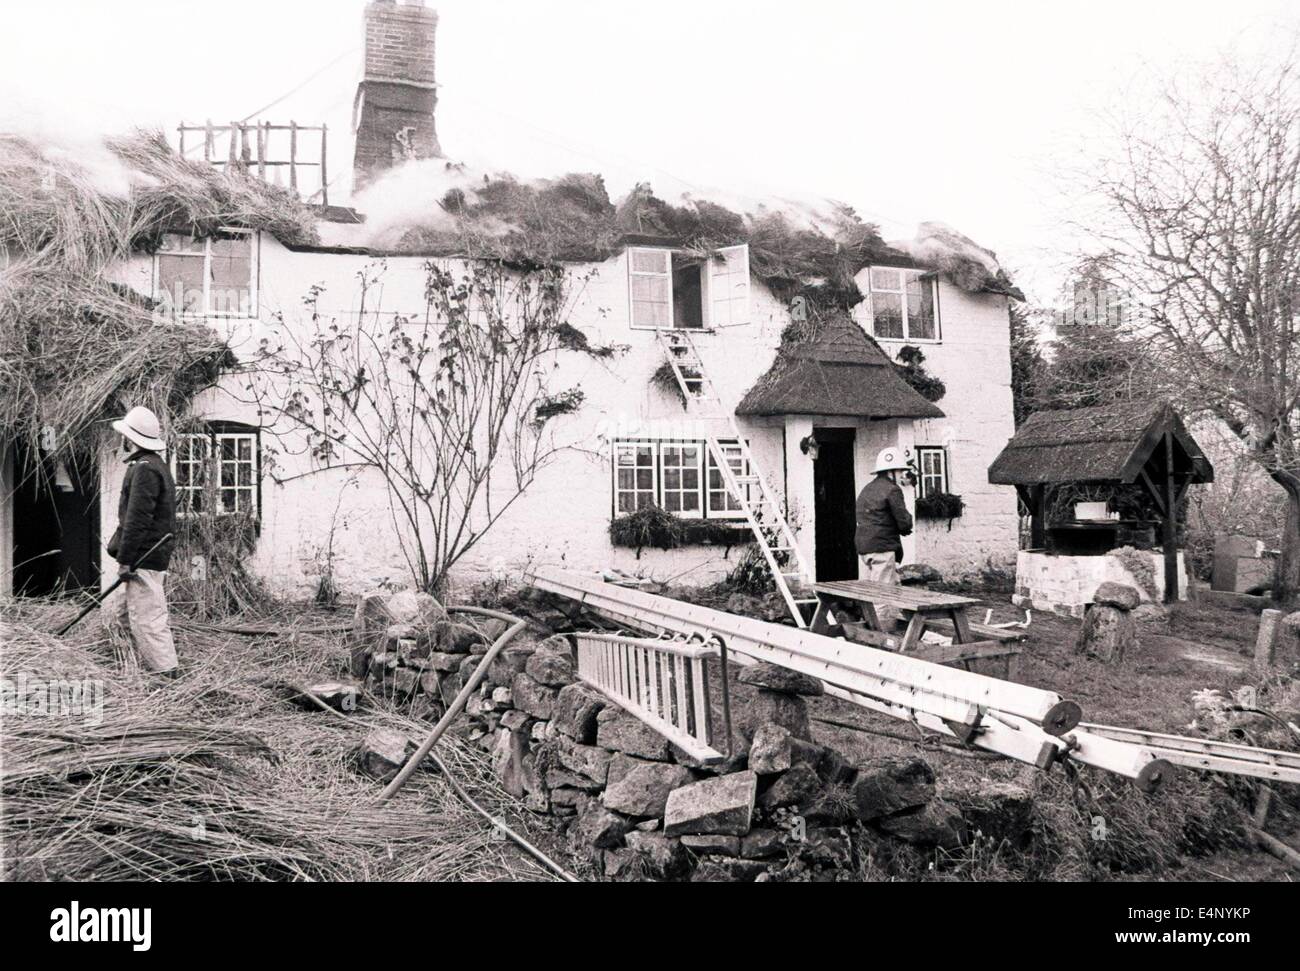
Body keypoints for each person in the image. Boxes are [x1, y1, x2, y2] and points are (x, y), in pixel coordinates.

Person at [104, 406, 179, 676]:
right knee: (122, 617)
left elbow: (137, 520)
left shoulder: (145, 470)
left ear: (130, 438)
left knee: (147, 620)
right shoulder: (154, 465)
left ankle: (167, 677)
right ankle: (129, 669)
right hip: (146, 555)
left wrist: (125, 560)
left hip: (144, 556)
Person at [855, 447, 915, 596]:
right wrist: (907, 525)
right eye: (900, 471)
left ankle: (895, 619)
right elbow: (904, 521)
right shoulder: (892, 489)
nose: (902, 476)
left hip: (865, 548)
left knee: (891, 589)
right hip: (882, 548)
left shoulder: (867, 489)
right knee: (883, 597)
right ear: (891, 472)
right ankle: (882, 621)